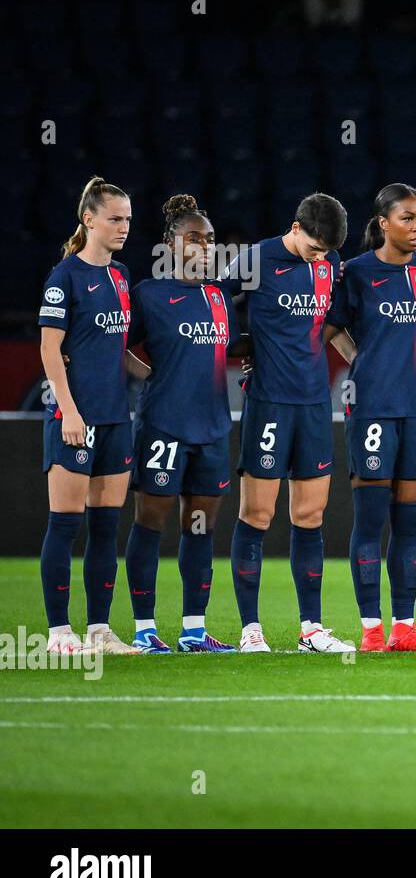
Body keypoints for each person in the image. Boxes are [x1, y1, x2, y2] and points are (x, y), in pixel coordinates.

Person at [328, 184, 416, 652]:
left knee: (409, 525)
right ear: (383, 222)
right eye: (407, 218)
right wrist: (360, 359)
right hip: (373, 411)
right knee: (370, 523)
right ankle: (370, 629)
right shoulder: (357, 273)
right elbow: (327, 329)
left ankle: (403, 627)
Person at [223, 193, 354, 653]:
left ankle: (311, 628)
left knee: (310, 515)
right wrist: (242, 346)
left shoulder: (331, 263)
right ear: (296, 228)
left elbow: (331, 323)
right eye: (315, 247)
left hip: (315, 403)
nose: (321, 256)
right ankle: (250, 629)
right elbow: (215, 300)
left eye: (327, 251)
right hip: (269, 404)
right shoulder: (258, 258)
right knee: (257, 514)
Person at [124, 194, 251, 653]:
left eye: (210, 240)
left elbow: (230, 349)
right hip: (164, 426)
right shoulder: (148, 294)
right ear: (170, 244)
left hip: (213, 427)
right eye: (193, 238)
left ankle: (194, 630)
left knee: (199, 527)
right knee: (151, 524)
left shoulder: (218, 296)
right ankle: (143, 631)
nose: (204, 246)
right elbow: (117, 347)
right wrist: (150, 374)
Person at [38, 176, 144, 655]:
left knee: (106, 526)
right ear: (89, 219)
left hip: (115, 418)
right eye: (114, 218)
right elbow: (49, 349)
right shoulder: (65, 277)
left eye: (127, 218)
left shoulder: (121, 277)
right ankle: (60, 633)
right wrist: (68, 412)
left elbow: (117, 349)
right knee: (65, 524)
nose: (124, 226)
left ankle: (99, 630)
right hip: (75, 418)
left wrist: (155, 375)